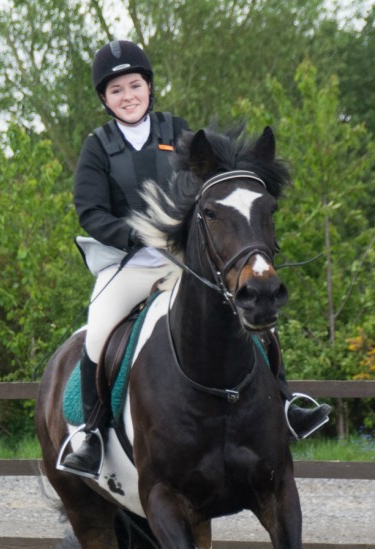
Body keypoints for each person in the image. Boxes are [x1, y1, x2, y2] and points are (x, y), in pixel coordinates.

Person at [61, 40, 330, 478]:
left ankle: (285, 405)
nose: (128, 96)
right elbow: (90, 211)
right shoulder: (98, 146)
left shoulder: (180, 133)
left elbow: (218, 181)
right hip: (126, 264)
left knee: (254, 320)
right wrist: (134, 236)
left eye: (135, 85)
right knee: (99, 332)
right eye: (116, 91)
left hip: (183, 263)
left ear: (149, 88)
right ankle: (91, 434)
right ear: (105, 100)